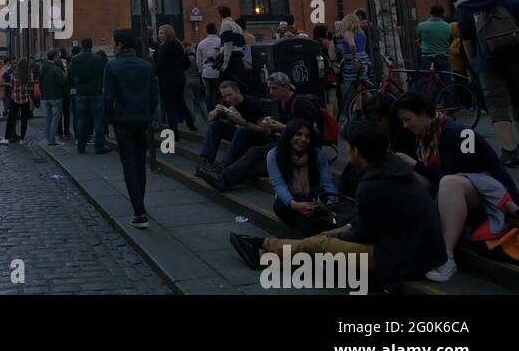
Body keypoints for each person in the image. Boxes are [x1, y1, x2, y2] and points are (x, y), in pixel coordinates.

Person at [230, 121, 446, 292]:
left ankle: (264, 247)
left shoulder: (372, 185)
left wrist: (336, 236)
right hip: (417, 248)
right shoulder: (392, 165)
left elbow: (363, 234)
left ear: (356, 152)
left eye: (348, 146)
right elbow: (375, 222)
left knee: (322, 243)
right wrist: (343, 229)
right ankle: (263, 249)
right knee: (326, 236)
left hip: (403, 259)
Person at [394, 93, 519, 281]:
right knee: (413, 176)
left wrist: (416, 165)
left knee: (448, 183)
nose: (405, 125)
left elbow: (456, 177)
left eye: (408, 119)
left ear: (425, 114)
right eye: (402, 120)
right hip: (473, 193)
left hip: (498, 198)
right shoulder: (426, 136)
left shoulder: (456, 134)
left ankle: (447, 257)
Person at [198, 72, 322, 192]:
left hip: (299, 148)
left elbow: (309, 132)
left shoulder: (301, 103)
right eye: (270, 88)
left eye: (274, 88)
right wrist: (215, 112)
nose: (271, 92)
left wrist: (280, 127)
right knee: (252, 155)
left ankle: (223, 177)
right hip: (286, 142)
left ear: (286, 87)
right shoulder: (284, 103)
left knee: (253, 151)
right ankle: (220, 175)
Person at [456, 0, 519, 167]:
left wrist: (475, 62)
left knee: (497, 105)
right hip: (516, 59)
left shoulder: (466, 9)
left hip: (488, 64)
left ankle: (509, 151)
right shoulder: (512, 2)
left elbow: (466, 39)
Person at [103, 29, 160, 229]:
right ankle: (140, 205)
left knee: (129, 165)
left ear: (119, 45)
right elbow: (154, 96)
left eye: (113, 42)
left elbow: (108, 98)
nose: (112, 45)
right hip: (143, 120)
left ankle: (139, 212)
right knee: (139, 163)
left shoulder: (112, 66)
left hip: (123, 121)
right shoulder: (146, 65)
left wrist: (109, 120)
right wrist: (148, 113)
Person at [198, 80, 269, 170]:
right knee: (216, 125)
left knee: (242, 130)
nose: (227, 99)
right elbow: (209, 119)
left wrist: (243, 122)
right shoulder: (227, 103)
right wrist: (216, 112)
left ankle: (224, 165)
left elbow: (266, 131)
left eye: (229, 95)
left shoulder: (253, 103)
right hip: (240, 136)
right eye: (224, 96)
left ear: (237, 91)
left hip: (258, 138)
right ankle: (207, 160)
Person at [70, 37, 108, 154]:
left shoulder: (75, 59)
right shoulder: (98, 59)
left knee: (81, 119)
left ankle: (81, 145)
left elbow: (71, 74)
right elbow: (104, 74)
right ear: (91, 46)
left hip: (81, 92)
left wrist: (75, 85)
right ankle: (99, 146)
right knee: (98, 120)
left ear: (82, 45)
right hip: (96, 92)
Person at [155, 24, 190, 142]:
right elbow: (187, 63)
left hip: (167, 79)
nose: (159, 35)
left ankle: (174, 134)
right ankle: (191, 124)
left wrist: (151, 58)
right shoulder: (179, 45)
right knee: (180, 101)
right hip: (180, 78)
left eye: (161, 33)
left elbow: (161, 66)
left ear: (168, 34)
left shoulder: (164, 47)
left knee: (169, 106)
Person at [416, 4, 452, 97]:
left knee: (425, 80)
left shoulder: (421, 26)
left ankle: (426, 101)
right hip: (443, 55)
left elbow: (418, 40)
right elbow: (450, 40)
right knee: (446, 79)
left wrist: (422, 47)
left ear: (430, 12)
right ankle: (449, 102)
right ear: (442, 14)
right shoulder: (448, 26)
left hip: (426, 56)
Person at [338, 13, 371, 112]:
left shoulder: (348, 33)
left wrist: (353, 58)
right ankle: (374, 105)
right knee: (362, 86)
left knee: (357, 86)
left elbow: (352, 45)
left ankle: (358, 110)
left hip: (353, 61)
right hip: (364, 58)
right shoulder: (361, 33)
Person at [313, 24, 341, 121]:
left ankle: (327, 119)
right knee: (332, 97)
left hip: (318, 73)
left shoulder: (312, 43)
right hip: (330, 72)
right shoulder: (327, 42)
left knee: (324, 98)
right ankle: (334, 119)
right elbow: (333, 57)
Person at [216, 6, 247, 90]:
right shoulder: (238, 26)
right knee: (238, 86)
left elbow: (228, 44)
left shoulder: (225, 25)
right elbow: (243, 44)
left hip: (231, 59)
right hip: (239, 59)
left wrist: (225, 62)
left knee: (225, 86)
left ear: (220, 15)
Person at [39, 49, 66, 145]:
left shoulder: (42, 68)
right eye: (57, 55)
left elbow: (40, 82)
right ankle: (52, 140)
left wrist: (43, 94)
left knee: (48, 118)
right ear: (54, 57)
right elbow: (61, 83)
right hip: (56, 96)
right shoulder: (56, 69)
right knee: (55, 119)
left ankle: (48, 137)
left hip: (46, 96)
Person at [5, 58, 34, 142]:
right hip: (25, 99)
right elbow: (31, 88)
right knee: (24, 119)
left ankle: (8, 135)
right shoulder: (30, 74)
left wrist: (15, 92)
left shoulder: (15, 74)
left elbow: (11, 85)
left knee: (11, 118)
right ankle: (22, 137)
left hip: (15, 99)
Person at [196, 22, 222, 111]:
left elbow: (199, 60)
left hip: (206, 72)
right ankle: (219, 111)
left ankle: (210, 112)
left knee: (208, 93)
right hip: (219, 72)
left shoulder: (201, 43)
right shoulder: (220, 42)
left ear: (206, 31)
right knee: (219, 92)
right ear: (216, 30)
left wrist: (201, 71)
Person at [183, 39, 206, 131]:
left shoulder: (184, 57)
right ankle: (207, 120)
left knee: (189, 101)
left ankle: (192, 121)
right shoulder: (197, 56)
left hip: (187, 81)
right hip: (197, 80)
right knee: (200, 101)